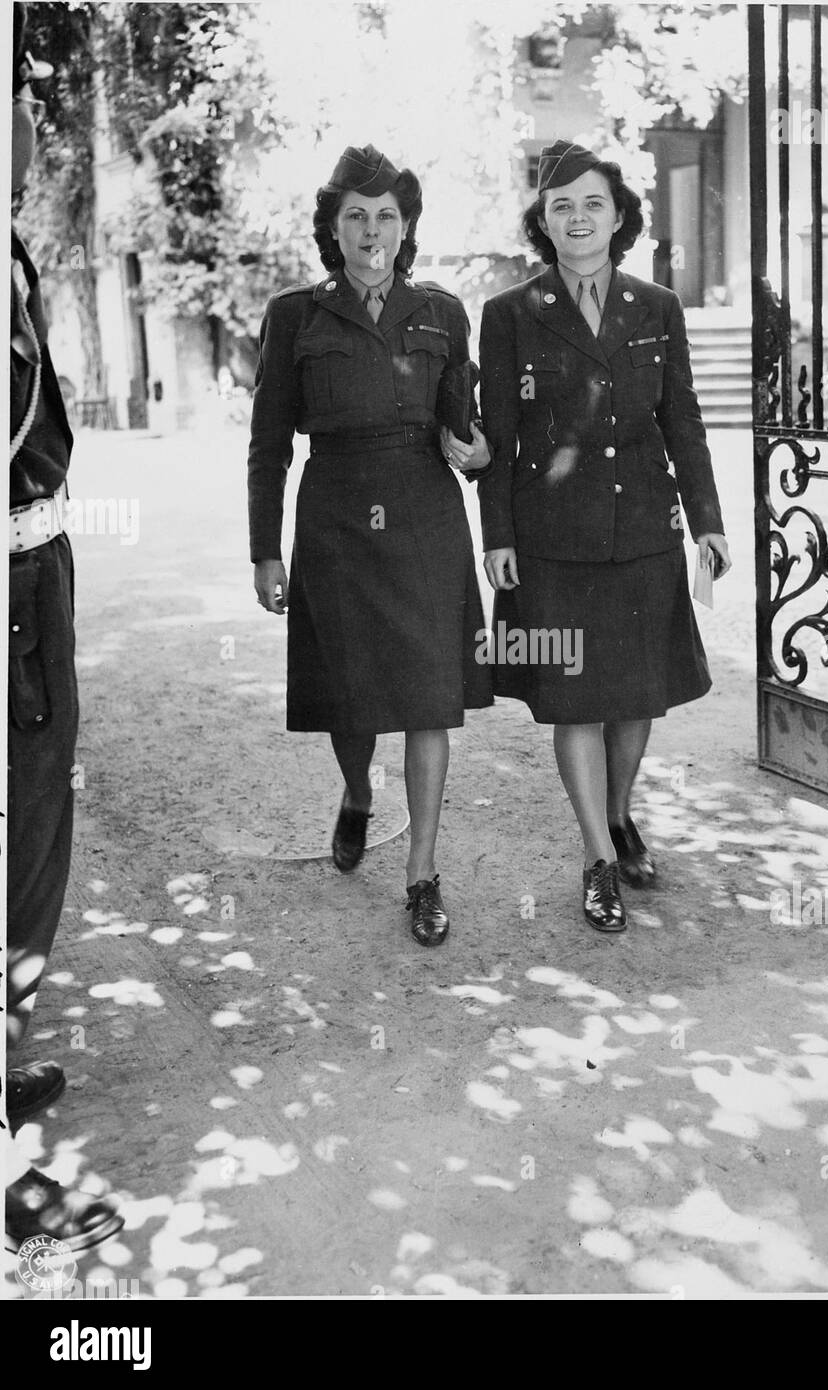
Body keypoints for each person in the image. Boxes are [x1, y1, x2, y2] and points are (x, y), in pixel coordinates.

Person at [477, 140, 732, 933]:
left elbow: (680, 418)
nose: (578, 218)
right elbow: (500, 434)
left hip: (644, 528)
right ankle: (596, 858)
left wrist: (708, 522)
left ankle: (620, 815)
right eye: (561, 207)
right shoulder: (510, 314)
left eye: (592, 203)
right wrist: (498, 534)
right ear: (542, 224)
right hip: (553, 538)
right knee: (574, 703)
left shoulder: (655, 306)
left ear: (618, 217)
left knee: (635, 696)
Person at [248, 145, 492, 946]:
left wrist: (482, 452)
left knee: (430, 699)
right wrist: (265, 550)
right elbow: (268, 446)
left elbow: (467, 423)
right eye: (355, 214)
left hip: (425, 515)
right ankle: (357, 792)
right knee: (349, 700)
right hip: (336, 518)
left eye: (387, 214)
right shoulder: (295, 316)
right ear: (332, 226)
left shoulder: (443, 313)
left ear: (407, 225)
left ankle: (421, 875)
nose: (372, 229)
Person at [6, 3, 123, 1252]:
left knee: (35, 840)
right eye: (13, 102)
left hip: (37, 575)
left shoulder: (16, 251)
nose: (32, 121)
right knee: (16, 847)